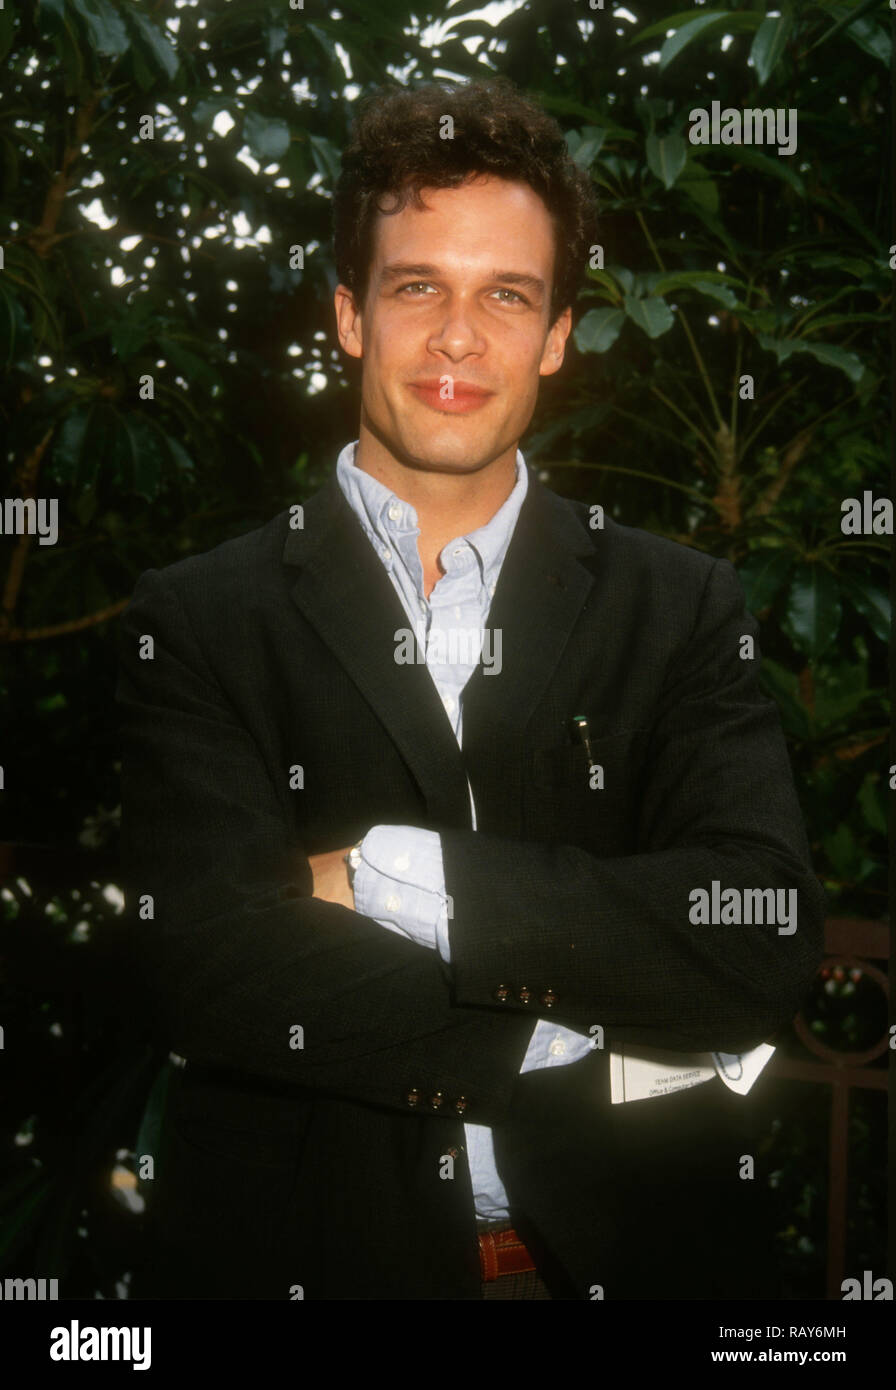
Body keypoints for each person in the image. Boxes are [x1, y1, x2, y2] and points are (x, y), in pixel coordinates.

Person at [116, 78, 825, 1301]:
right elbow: (210, 963)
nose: (458, 338)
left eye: (505, 294)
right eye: (416, 288)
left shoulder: (675, 603)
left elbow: (757, 922)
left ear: (555, 335)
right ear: (349, 316)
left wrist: (397, 879)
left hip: (640, 1263)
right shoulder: (201, 615)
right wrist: (581, 1037)